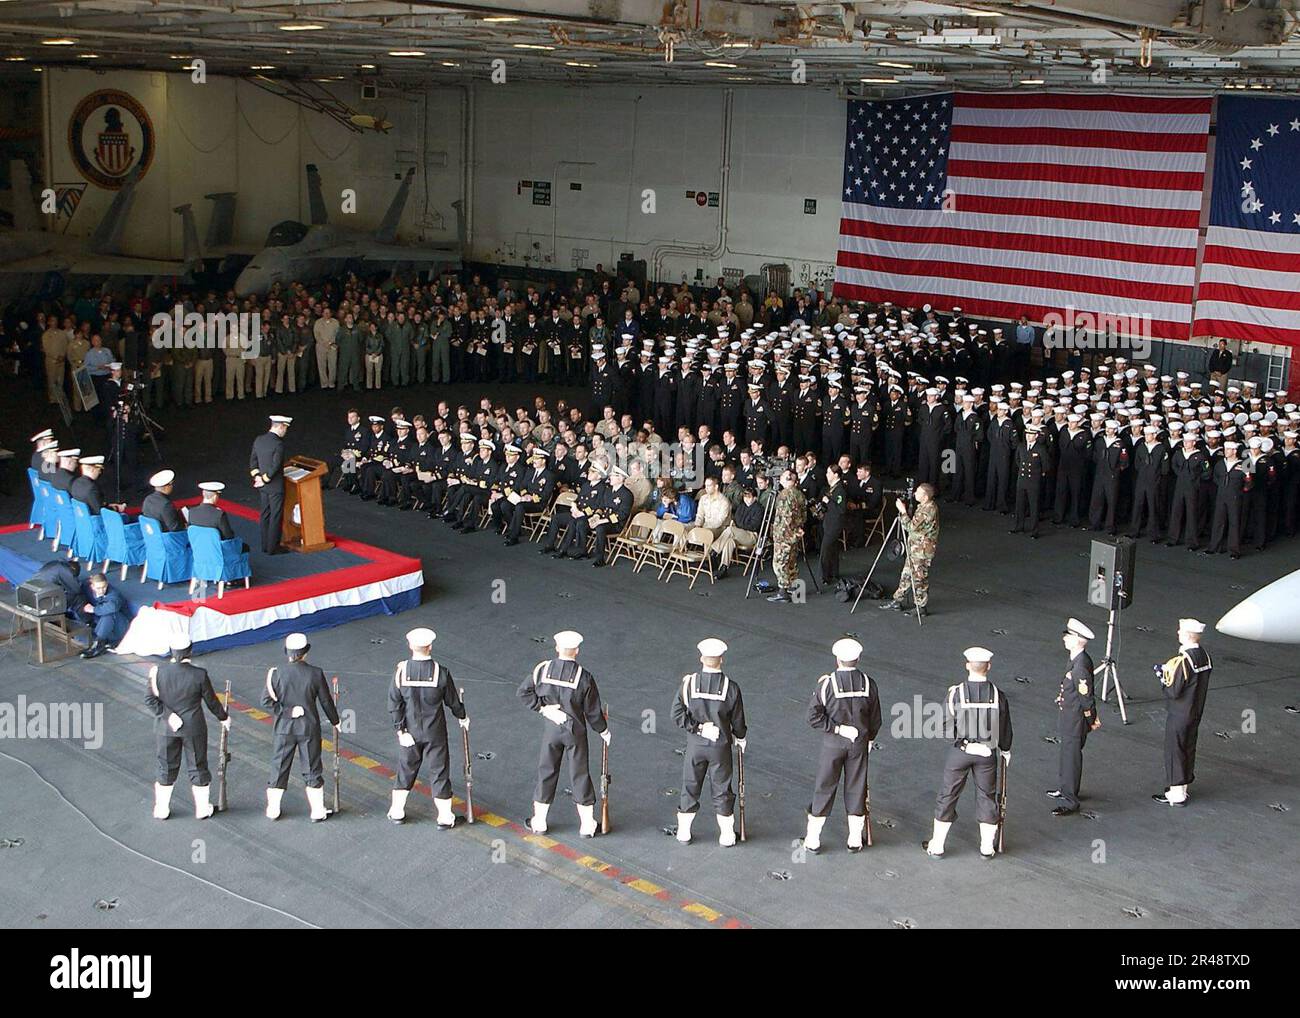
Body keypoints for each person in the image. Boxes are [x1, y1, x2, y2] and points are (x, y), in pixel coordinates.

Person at [518, 630, 609, 837]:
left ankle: (539, 821)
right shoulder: (584, 677)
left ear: (557, 648)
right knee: (580, 774)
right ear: (577, 651)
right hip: (575, 731)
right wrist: (603, 730)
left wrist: (543, 708)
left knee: (547, 771)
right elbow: (593, 712)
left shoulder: (542, 669)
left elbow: (523, 692)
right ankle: (587, 825)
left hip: (552, 730)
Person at [924, 647, 1012, 860]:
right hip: (987, 753)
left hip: (960, 753)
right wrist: (1006, 750)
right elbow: (1005, 726)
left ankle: (937, 845)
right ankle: (986, 847)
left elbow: (945, 725)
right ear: (988, 667)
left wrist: (963, 743)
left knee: (948, 794)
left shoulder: (956, 693)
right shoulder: (997, 694)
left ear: (967, 666)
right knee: (987, 796)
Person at [804, 638, 882, 854]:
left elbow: (813, 717)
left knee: (824, 787)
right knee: (857, 788)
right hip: (859, 743)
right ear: (858, 658)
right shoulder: (869, 683)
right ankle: (855, 839)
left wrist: (836, 729)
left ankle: (813, 839)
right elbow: (875, 719)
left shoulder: (827, 684)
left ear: (837, 659)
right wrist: (869, 739)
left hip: (833, 744)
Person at [387, 627, 470, 826]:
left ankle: (397, 811)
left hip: (410, 731)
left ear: (410, 646)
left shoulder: (401, 672)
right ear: (430, 647)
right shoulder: (441, 672)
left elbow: (394, 703)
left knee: (406, 769)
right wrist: (463, 716)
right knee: (439, 771)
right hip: (435, 732)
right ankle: (444, 816)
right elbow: (452, 701)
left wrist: (401, 730)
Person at [671, 638, 748, 847]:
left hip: (695, 746)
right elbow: (738, 721)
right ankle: (726, 835)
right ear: (721, 660)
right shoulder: (731, 688)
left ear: (701, 658)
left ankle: (684, 832)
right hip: (720, 747)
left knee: (690, 785)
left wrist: (697, 727)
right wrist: (741, 737)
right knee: (722, 788)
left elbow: (676, 714)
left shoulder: (688, 684)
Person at [145, 633, 229, 820]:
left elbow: (150, 699)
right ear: (190, 650)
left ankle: (161, 809)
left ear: (172, 652)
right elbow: (211, 701)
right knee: (198, 765)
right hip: (194, 728)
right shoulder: (199, 675)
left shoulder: (158, 672)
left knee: (165, 766)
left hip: (166, 729)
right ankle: (202, 809)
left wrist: (169, 716)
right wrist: (223, 717)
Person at [262, 633, 341, 822]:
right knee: (312, 767)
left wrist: (287, 711)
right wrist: (335, 721)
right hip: (309, 728)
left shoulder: (275, 673)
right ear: (305, 653)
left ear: (287, 652)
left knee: (279, 766)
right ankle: (317, 811)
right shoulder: (315, 673)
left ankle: (273, 809)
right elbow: (326, 701)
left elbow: (265, 701)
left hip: (284, 728)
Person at [1153, 618, 1213, 807]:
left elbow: (1173, 691)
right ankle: (1183, 787)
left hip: (1180, 712)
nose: (1178, 633)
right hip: (1195, 710)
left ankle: (1176, 793)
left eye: (1180, 631)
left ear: (1187, 636)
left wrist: (1163, 677)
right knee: (1187, 748)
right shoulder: (1204, 656)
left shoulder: (1183, 660)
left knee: (1175, 750)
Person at [1048, 618, 1100, 817]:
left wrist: (1091, 718)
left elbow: (1086, 696)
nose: (1065, 639)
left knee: (1071, 758)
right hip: (1069, 715)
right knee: (1066, 755)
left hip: (1075, 719)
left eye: (1068, 636)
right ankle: (1065, 788)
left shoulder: (1079, 665)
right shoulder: (1076, 659)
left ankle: (1070, 800)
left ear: (1078, 639)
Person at [880, 483, 938, 616]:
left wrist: (903, 512)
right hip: (915, 548)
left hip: (921, 550)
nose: (914, 494)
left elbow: (912, 527)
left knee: (919, 578)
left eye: (918, 492)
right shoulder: (924, 506)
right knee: (906, 574)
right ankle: (897, 600)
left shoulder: (927, 510)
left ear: (925, 496)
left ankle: (921, 607)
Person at [250, 415, 291, 554]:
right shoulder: (278, 444)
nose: (285, 431)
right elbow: (276, 465)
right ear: (280, 426)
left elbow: (253, 462)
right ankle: (273, 547)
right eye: (285, 428)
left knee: (265, 514)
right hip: (275, 486)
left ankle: (265, 545)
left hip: (262, 486)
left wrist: (258, 477)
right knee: (275, 516)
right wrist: (265, 479)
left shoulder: (259, 440)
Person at [767, 468, 807, 604]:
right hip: (795, 534)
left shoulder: (785, 495)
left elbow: (785, 517)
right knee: (791, 561)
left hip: (784, 535)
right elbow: (803, 515)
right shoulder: (799, 494)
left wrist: (783, 532)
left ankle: (783, 591)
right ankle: (792, 587)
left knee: (780, 562)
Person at [78, 572, 130, 658]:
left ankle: (98, 646)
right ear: (92, 586)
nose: (101, 590)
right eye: (98, 588)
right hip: (104, 627)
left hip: (120, 628)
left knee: (109, 614)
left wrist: (93, 609)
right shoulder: (87, 587)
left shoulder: (114, 594)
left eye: (104, 587)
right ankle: (100, 641)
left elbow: (112, 607)